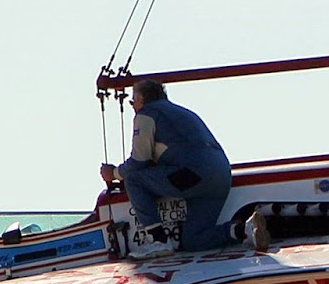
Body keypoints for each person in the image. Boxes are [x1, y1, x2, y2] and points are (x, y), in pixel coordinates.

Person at [99, 78, 233, 257]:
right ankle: (242, 230)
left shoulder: (147, 114)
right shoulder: (183, 112)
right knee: (193, 239)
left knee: (133, 180)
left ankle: (158, 240)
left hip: (193, 174)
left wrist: (114, 173)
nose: (133, 106)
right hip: (221, 175)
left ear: (140, 99)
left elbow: (140, 161)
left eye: (132, 101)